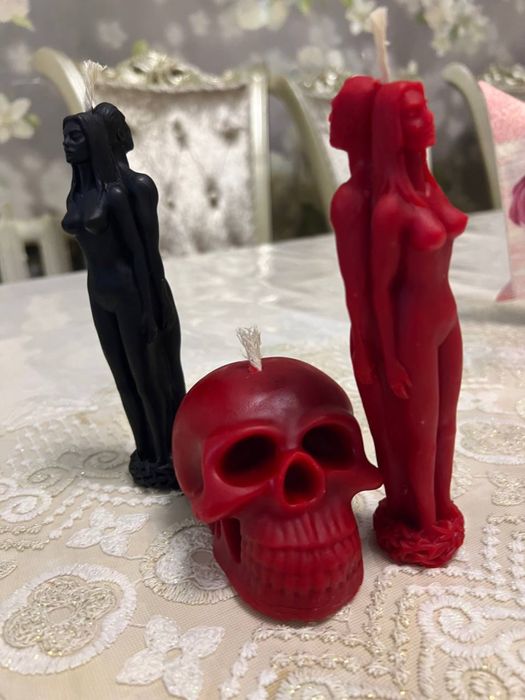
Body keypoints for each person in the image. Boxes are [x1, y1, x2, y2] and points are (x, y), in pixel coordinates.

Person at [370, 81, 467, 564]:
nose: (425, 119)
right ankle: (423, 521)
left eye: (424, 110)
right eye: (412, 114)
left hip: (448, 316)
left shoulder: (431, 187)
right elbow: (380, 291)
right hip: (413, 328)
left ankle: (441, 505)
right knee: (422, 432)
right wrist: (389, 358)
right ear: (393, 129)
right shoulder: (390, 209)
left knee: (447, 422)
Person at [62, 108, 179, 488]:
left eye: (76, 137)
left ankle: (167, 453)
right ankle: (146, 450)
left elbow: (144, 254)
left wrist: (152, 306)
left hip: (131, 293)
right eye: (66, 136)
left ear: (95, 139)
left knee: (149, 379)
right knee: (123, 379)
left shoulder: (120, 192)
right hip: (98, 293)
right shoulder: (79, 192)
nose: (66, 144)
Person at [330, 76, 395, 500]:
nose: (331, 115)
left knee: (403, 431)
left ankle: (412, 507)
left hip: (391, 335)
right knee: (390, 433)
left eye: (340, 108)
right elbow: (355, 288)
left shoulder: (368, 199)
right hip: (374, 334)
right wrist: (370, 349)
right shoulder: (352, 199)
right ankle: (402, 502)